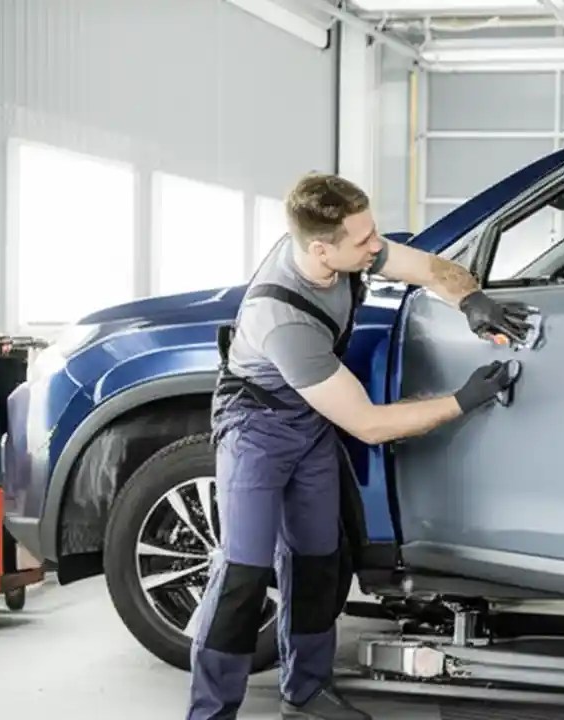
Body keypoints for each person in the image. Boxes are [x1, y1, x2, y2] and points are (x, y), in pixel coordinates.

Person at [186, 172, 534, 720]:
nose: (377, 246)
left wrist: (471, 301)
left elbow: (427, 267)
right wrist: (464, 400)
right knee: (243, 576)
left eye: (373, 234)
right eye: (364, 240)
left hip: (309, 420)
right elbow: (369, 425)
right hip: (257, 428)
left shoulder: (341, 247)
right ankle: (209, 713)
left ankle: (304, 691)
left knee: (320, 561)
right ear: (322, 249)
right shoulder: (283, 318)